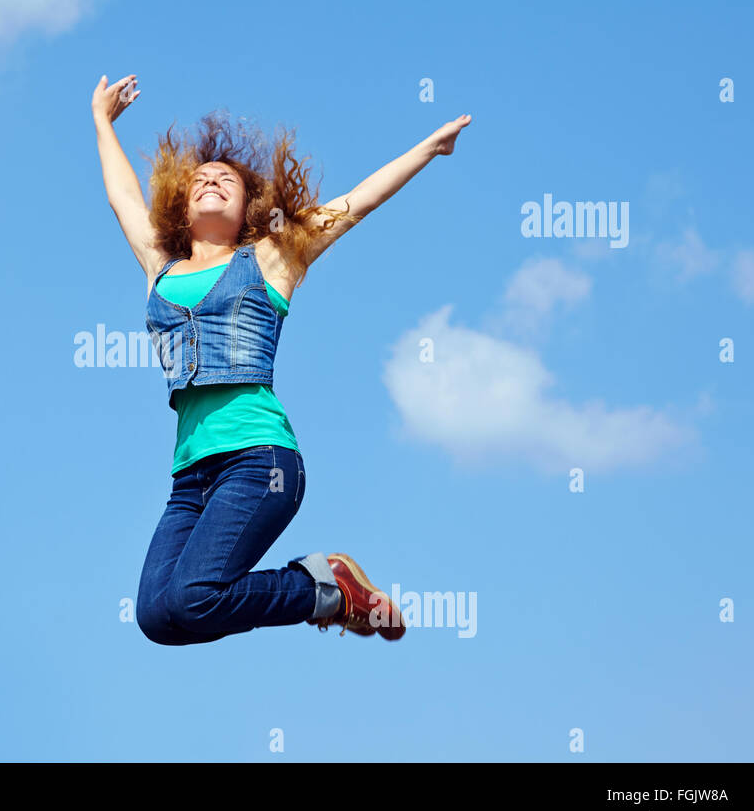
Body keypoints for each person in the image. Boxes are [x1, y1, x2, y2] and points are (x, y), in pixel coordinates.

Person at [91, 73, 471, 646]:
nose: (211, 181)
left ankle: (329, 590)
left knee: (193, 599)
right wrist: (101, 121)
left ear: (248, 207)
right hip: (189, 477)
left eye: (226, 180)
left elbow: (354, 204)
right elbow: (123, 196)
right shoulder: (160, 268)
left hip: (258, 460)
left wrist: (427, 148)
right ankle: (328, 592)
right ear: (180, 203)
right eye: (200, 179)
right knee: (156, 616)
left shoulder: (271, 259)